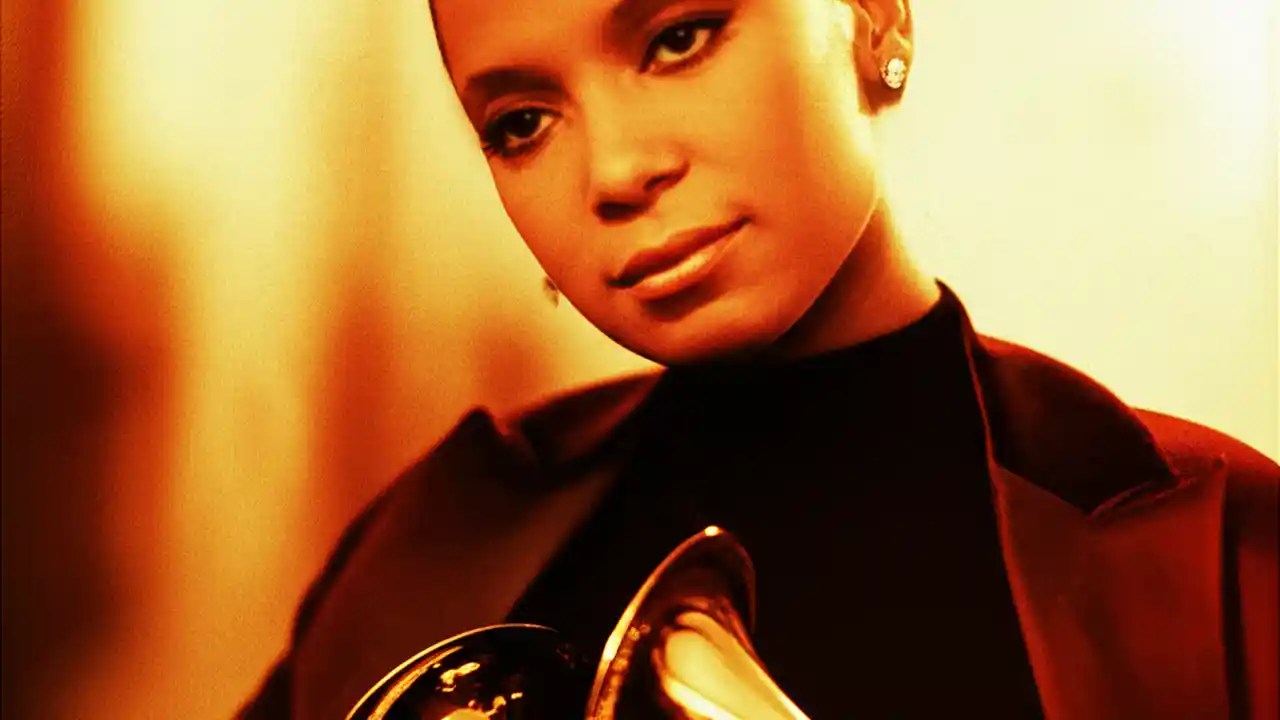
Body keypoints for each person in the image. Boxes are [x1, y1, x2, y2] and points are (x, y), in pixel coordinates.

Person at [237, 0, 1278, 717]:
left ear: (876, 15)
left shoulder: (1220, 547)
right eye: (521, 123)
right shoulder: (422, 546)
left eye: (678, 38)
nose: (616, 172)